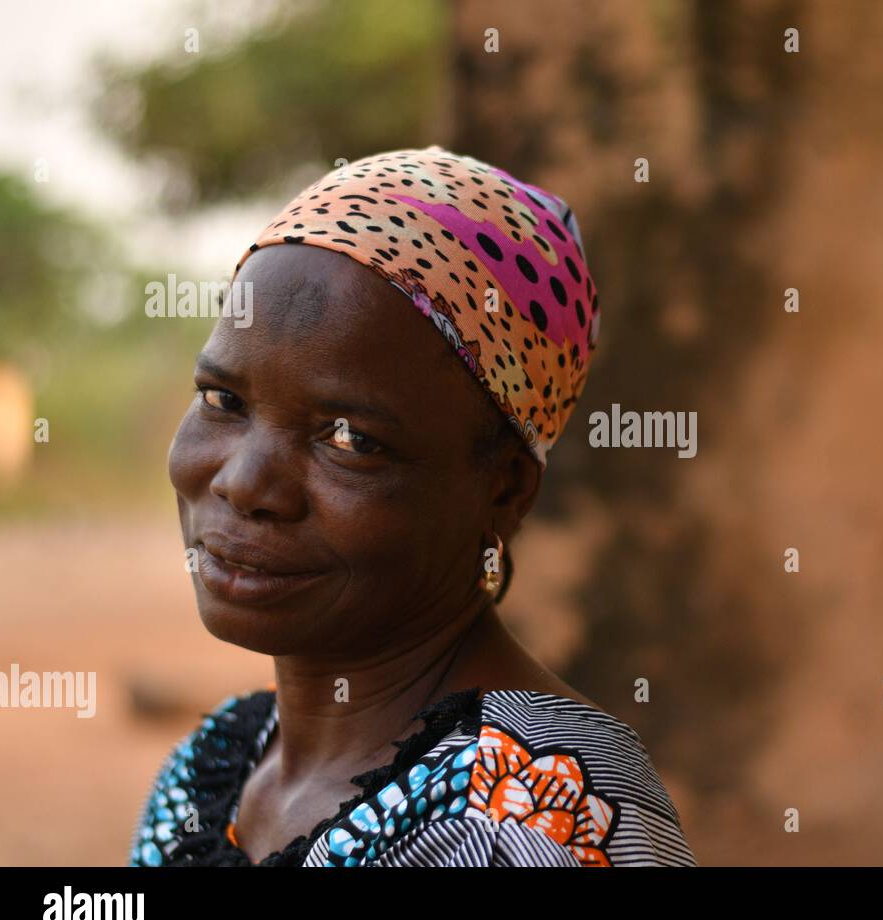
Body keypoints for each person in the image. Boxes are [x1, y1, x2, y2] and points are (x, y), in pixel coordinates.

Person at [128, 146, 696, 867]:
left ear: (505, 489)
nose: (244, 483)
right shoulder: (212, 768)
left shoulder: (539, 819)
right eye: (223, 400)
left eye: (349, 439)